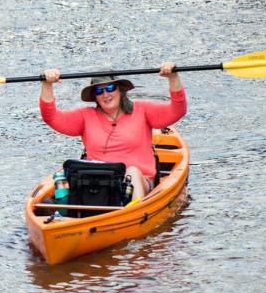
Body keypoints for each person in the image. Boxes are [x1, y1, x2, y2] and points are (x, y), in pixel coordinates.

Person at [39, 63, 185, 203]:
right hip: (99, 184)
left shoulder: (142, 110)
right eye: (99, 91)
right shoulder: (85, 116)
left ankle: (132, 213)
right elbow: (50, 117)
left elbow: (177, 110)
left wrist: (173, 77)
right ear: (95, 97)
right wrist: (47, 85)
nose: (105, 94)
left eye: (110, 87)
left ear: (120, 90)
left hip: (140, 181)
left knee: (132, 172)